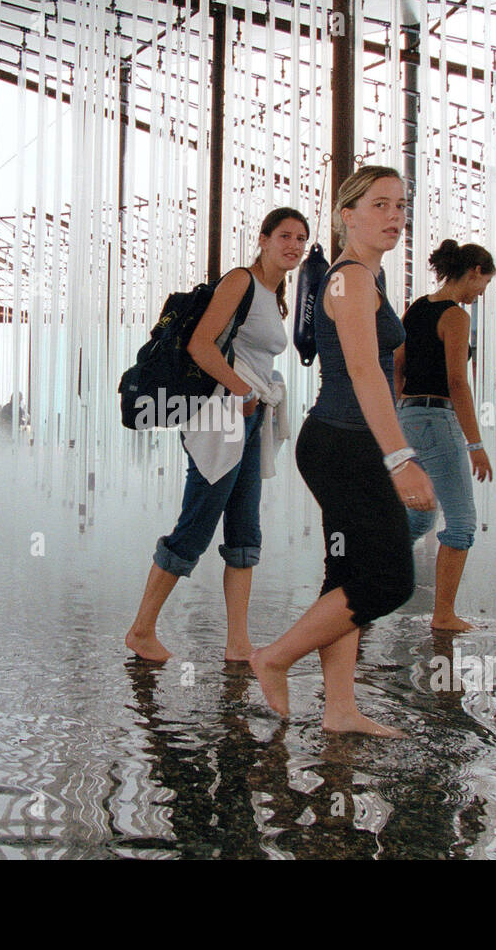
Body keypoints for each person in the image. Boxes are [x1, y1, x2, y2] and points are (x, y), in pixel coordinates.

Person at [250, 167, 436, 737]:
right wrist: (400, 458)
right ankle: (275, 657)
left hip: (342, 442)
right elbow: (362, 372)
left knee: (346, 574)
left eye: (400, 206)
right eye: (379, 205)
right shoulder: (351, 280)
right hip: (347, 445)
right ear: (346, 215)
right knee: (386, 582)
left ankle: (340, 709)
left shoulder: (359, 279)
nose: (394, 216)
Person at [125, 207, 310, 664]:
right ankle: (141, 630)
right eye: (285, 236)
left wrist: (256, 396)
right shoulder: (240, 281)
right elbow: (199, 344)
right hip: (223, 415)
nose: (294, 246)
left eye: (301, 239)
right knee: (198, 522)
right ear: (263, 239)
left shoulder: (274, 293)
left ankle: (238, 643)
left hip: (250, 416)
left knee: (246, 530)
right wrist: (243, 388)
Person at [395, 239, 496, 632]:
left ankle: (366, 565)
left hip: (409, 416)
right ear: (474, 270)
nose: (481, 293)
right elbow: (457, 381)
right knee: (461, 523)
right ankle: (444, 615)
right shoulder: (455, 316)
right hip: (438, 418)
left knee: (420, 517)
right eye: (484, 284)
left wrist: (400, 411)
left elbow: (396, 364)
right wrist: (475, 444)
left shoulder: (419, 306)